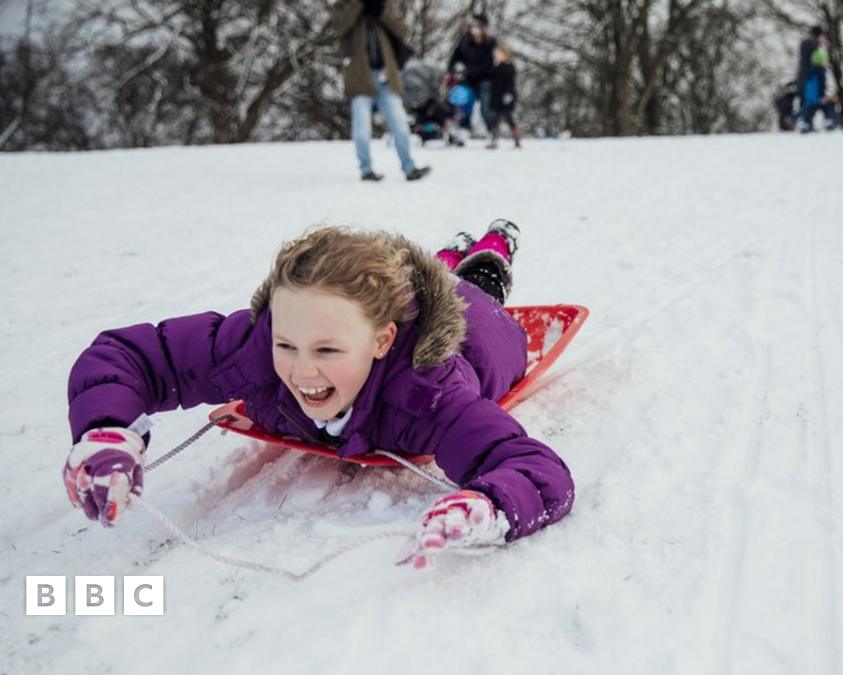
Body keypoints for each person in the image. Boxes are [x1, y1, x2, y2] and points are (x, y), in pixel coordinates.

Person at [62, 221, 573, 570]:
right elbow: (134, 355)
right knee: (421, 271)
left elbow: (530, 466)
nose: (301, 369)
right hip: (383, 299)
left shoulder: (427, 392)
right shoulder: (256, 345)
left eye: (327, 349)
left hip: (482, 325)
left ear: (382, 341)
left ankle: (493, 244)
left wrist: (490, 506)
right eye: (287, 343)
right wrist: (107, 429)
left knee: (475, 280)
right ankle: (440, 258)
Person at [331, 0, 430, 182]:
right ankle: (366, 170)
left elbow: (402, 31)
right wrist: (358, 5)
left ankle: (409, 168)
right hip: (359, 78)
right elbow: (339, 26)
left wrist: (382, 11)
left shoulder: (383, 4)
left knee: (400, 125)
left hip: (386, 77)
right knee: (361, 130)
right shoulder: (344, 5)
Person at [448, 14, 498, 137]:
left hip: (486, 79)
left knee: (486, 108)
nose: (474, 30)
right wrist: (452, 70)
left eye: (478, 27)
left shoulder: (491, 43)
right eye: (473, 27)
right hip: (469, 81)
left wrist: (469, 71)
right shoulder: (465, 42)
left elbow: (488, 64)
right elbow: (454, 58)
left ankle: (491, 130)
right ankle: (463, 128)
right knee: (462, 98)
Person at [488, 43, 522, 149]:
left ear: (504, 54)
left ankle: (517, 140)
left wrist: (508, 94)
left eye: (498, 53)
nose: (496, 55)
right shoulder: (495, 67)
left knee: (509, 118)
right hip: (496, 97)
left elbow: (510, 83)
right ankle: (493, 140)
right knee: (495, 119)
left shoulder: (509, 67)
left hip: (506, 96)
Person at [799, 34, 835, 132]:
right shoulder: (817, 73)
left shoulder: (816, 72)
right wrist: (822, 98)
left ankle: (806, 123)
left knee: (811, 110)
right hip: (817, 98)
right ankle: (807, 124)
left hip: (815, 98)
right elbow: (814, 88)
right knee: (826, 107)